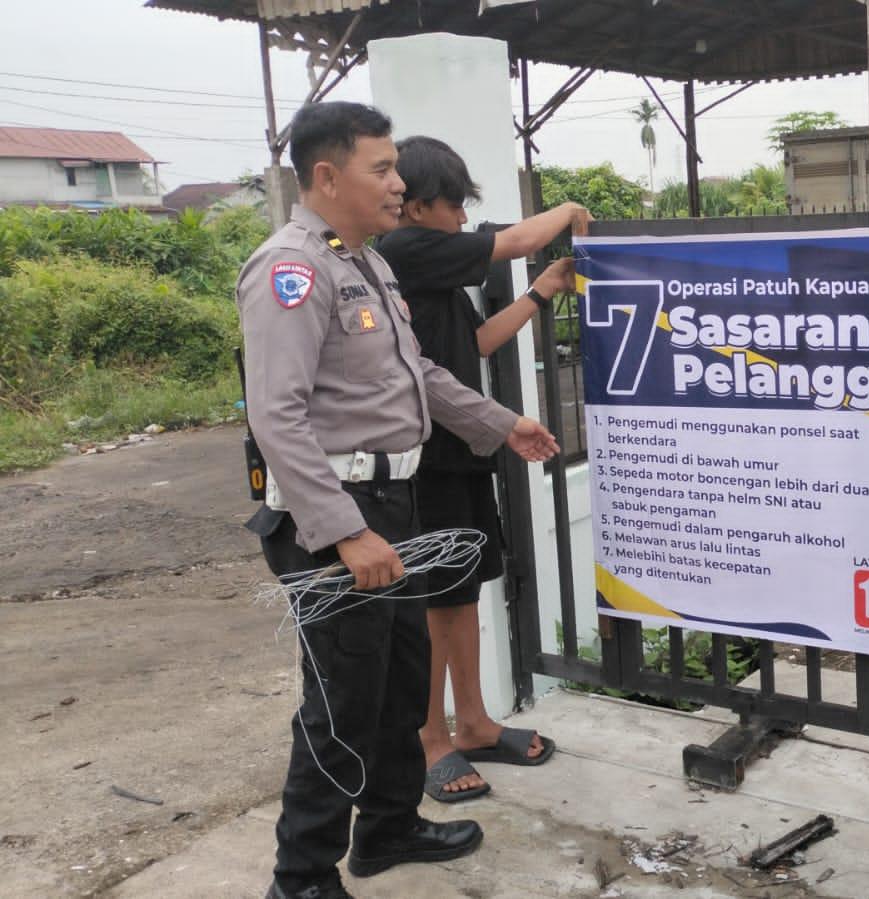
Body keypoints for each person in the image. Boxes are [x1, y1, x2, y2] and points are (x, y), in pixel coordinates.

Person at [238, 102, 559, 899]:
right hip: (337, 518)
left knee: (400, 681)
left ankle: (386, 828)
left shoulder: (367, 263)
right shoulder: (292, 270)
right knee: (342, 701)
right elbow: (274, 414)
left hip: (395, 501)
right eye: (381, 168)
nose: (398, 181)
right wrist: (346, 533)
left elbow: (421, 374)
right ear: (326, 175)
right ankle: (301, 875)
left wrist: (501, 423)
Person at [372, 136, 590, 802]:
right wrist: (571, 209)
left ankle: (471, 722)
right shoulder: (404, 249)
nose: (462, 219)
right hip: (422, 461)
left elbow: (472, 345)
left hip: (461, 452)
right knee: (430, 602)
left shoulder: (432, 272)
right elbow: (517, 241)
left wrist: (542, 294)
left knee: (462, 595)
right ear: (418, 205)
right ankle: (429, 738)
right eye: (454, 205)